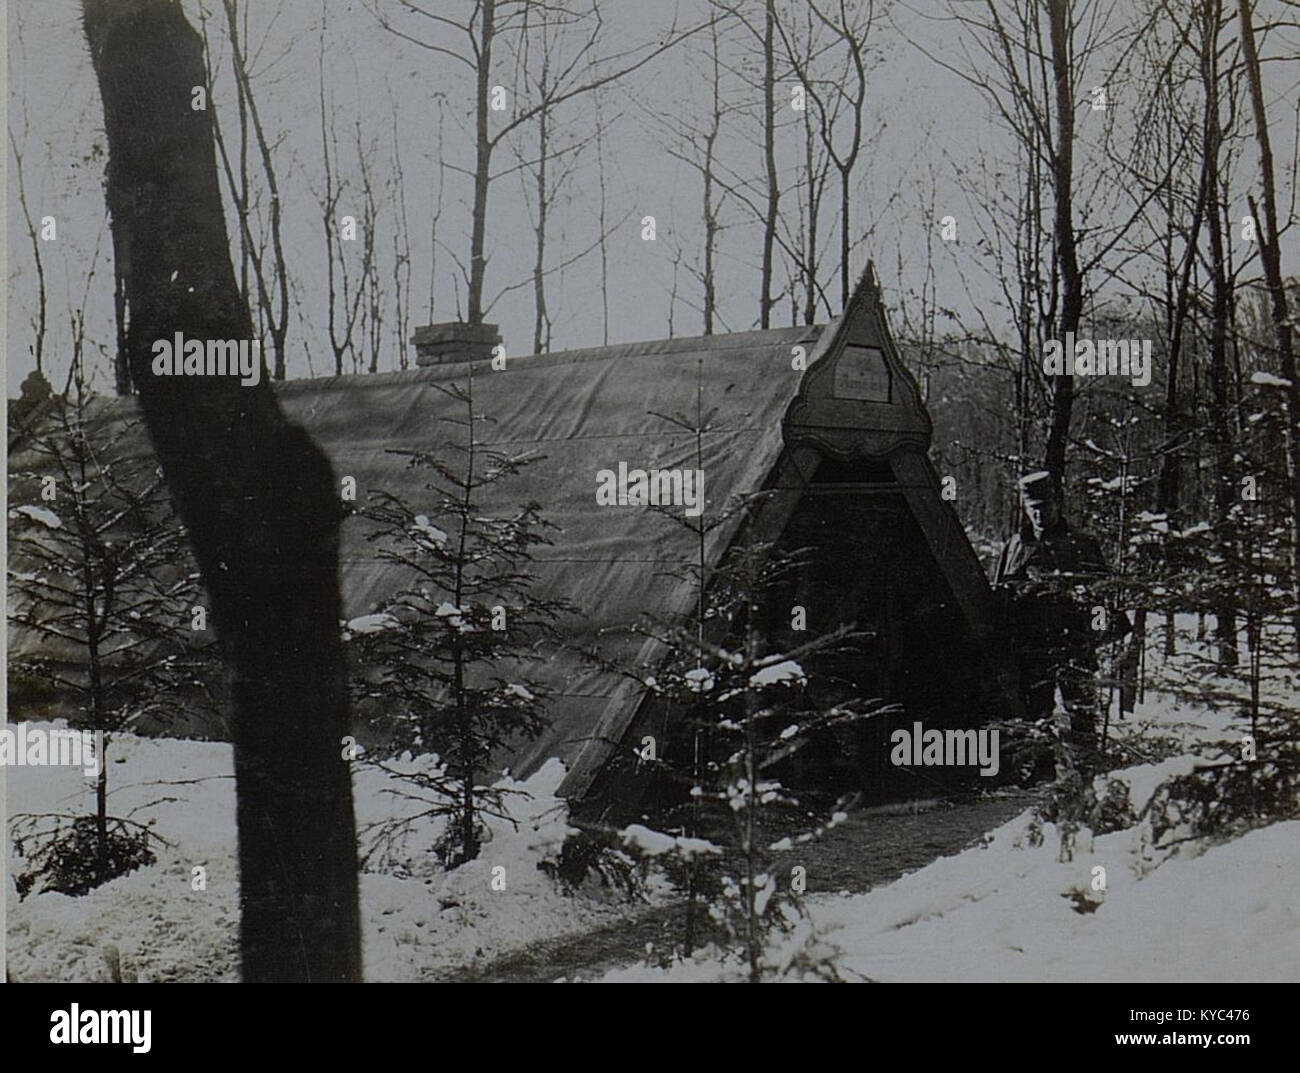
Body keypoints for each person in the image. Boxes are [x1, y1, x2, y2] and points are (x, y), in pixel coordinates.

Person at [994, 472, 1125, 770]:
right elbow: (1000, 595)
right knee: (1035, 717)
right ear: (1025, 509)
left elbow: (1101, 597)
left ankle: (1087, 775)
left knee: (1081, 714)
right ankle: (1042, 777)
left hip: (1073, 647)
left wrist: (1093, 637)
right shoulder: (1015, 546)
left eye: (1045, 505)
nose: (1039, 513)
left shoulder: (1080, 544)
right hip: (1032, 651)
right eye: (1033, 507)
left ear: (1057, 504)